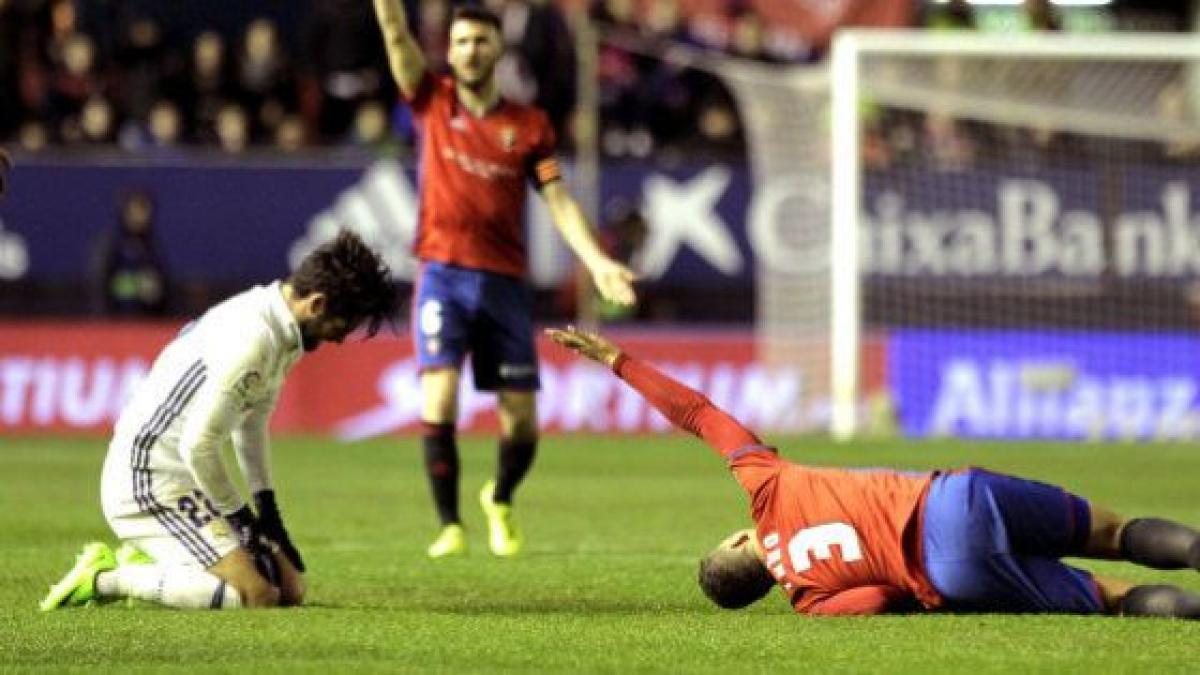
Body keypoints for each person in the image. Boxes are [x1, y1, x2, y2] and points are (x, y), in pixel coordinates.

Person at [547, 326, 1200, 618]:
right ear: (739, 540)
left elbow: (880, 600)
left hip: (948, 573)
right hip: (951, 500)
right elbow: (698, 413)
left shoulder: (809, 600)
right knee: (1112, 532)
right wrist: (617, 361)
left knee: (1112, 596)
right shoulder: (767, 487)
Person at [372, 2, 636, 558]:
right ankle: (450, 526)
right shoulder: (431, 100)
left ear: (498, 49)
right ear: (449, 51)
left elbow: (558, 201)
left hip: (504, 285)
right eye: (462, 41)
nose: (471, 50)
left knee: (521, 424)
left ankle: (500, 496)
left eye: (481, 41)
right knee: (440, 393)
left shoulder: (530, 126)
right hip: (442, 274)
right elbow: (396, 36)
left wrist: (597, 261)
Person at [40, 231, 399, 611]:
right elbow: (197, 447)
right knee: (255, 596)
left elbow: (252, 422)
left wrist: (268, 513)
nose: (340, 338)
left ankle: (166, 560)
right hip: (147, 479)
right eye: (342, 324)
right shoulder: (254, 339)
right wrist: (242, 520)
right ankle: (106, 577)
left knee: (290, 587)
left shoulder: (283, 328)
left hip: (187, 478)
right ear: (317, 303)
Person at [90, 188, 169, 317]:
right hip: (116, 319)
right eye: (135, 210)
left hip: (147, 321)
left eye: (144, 210)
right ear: (125, 212)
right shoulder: (111, 244)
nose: (140, 217)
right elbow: (100, 285)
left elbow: (162, 287)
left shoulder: (154, 247)